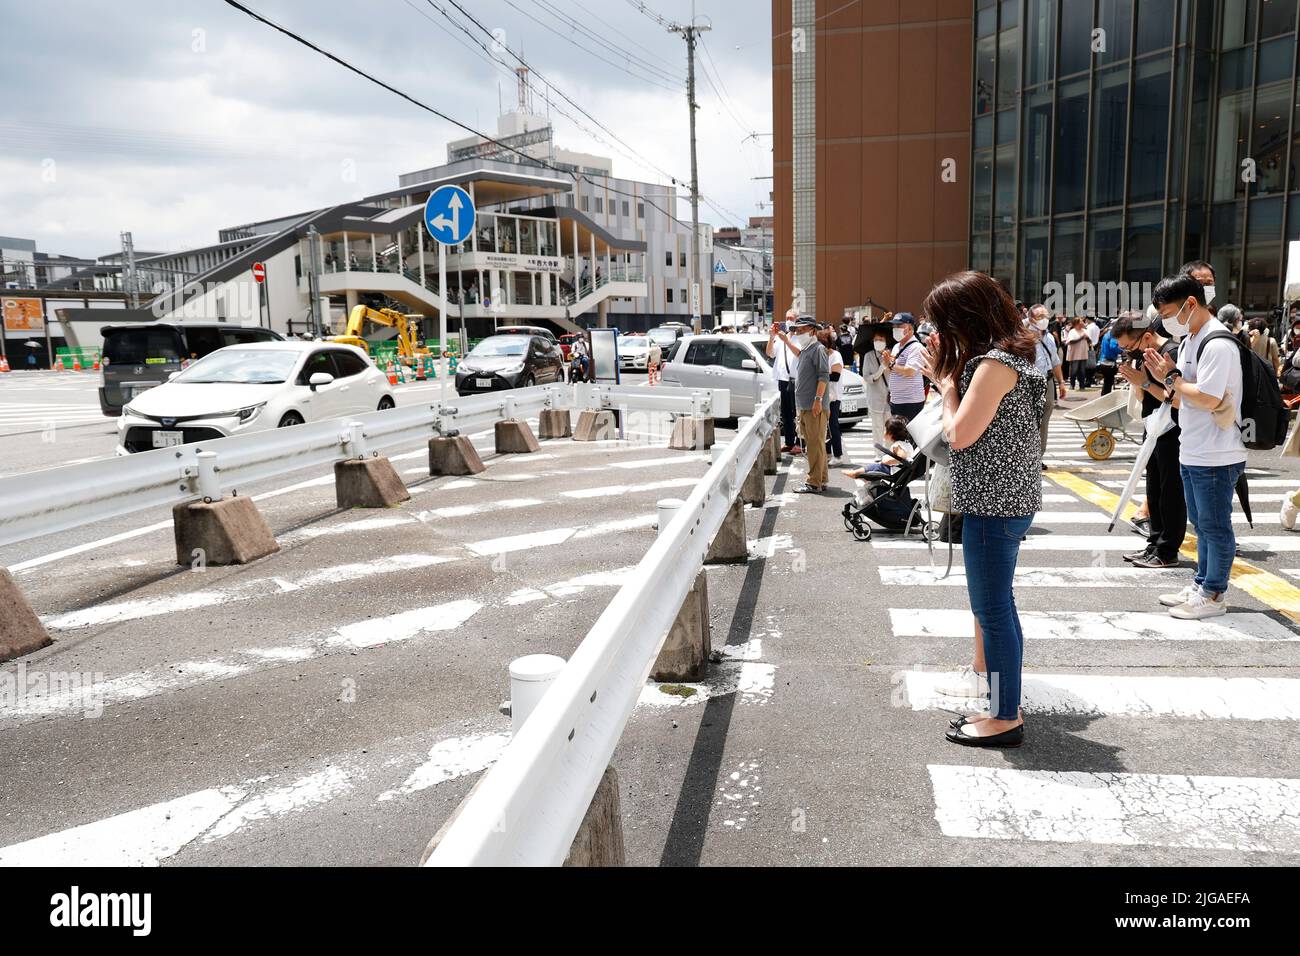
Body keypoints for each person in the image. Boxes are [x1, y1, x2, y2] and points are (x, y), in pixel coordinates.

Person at [921, 271, 1045, 748]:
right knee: (996, 609)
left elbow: (959, 434)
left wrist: (946, 386)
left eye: (943, 322)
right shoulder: (1005, 357)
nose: (938, 333)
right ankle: (997, 700)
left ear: (964, 318)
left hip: (995, 504)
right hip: (1004, 500)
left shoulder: (992, 364)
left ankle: (1004, 716)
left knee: (993, 611)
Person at [1142, 272, 1247, 619]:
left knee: (1215, 526)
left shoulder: (1217, 343)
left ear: (1190, 303)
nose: (1167, 321)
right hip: (1193, 447)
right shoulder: (1190, 339)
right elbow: (1181, 396)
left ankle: (1214, 593)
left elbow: (1206, 397)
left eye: (1169, 311)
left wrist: (1172, 377)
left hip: (1217, 452)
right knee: (1202, 525)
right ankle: (1203, 583)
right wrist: (1166, 377)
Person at [1113, 310, 1186, 569]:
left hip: (1173, 430)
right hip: (1153, 426)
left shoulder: (1172, 353)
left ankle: (1168, 550)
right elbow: (1145, 400)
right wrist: (1138, 380)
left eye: (1128, 347)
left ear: (1145, 337)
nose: (1126, 353)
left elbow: (1175, 397)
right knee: (1154, 489)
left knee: (1171, 491)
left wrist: (1144, 382)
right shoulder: (1144, 357)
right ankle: (1154, 544)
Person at [781, 316, 830, 493]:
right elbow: (799, 355)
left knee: (814, 445)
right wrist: (786, 340)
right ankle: (821, 479)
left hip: (814, 405)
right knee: (816, 443)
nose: (799, 333)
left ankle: (813, 482)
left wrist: (817, 400)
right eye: (797, 330)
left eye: (802, 330)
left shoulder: (818, 349)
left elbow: (824, 376)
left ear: (812, 330)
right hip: (806, 405)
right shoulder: (807, 349)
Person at [1028, 304, 1067, 461]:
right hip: (1030, 382)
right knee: (1029, 419)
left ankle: (1039, 457)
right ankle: (1027, 457)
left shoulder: (1049, 337)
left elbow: (1055, 361)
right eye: (1040, 317)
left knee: (1044, 420)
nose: (1044, 320)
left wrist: (1061, 382)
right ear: (1031, 319)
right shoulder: (1023, 336)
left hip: (1048, 381)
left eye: (1046, 316)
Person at [767, 309, 802, 454]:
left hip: (796, 379)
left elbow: (799, 354)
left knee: (797, 414)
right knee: (786, 413)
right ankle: (789, 442)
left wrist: (787, 341)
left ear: (797, 320)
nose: (789, 320)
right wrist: (771, 337)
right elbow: (770, 353)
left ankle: (799, 443)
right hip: (783, 379)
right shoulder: (782, 337)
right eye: (787, 317)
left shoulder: (800, 337)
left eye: (792, 318)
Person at [881, 312, 926, 420]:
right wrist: (886, 362)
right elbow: (891, 369)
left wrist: (891, 364)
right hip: (896, 399)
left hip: (910, 401)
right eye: (894, 326)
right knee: (898, 435)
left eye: (899, 326)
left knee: (908, 435)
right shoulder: (897, 346)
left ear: (910, 328)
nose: (895, 329)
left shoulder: (916, 347)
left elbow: (910, 371)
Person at [842, 415, 913, 480]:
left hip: (893, 472)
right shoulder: (906, 444)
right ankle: (859, 475)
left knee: (874, 467)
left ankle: (855, 473)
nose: (884, 431)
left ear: (891, 434)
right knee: (875, 467)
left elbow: (902, 456)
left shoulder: (898, 446)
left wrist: (887, 461)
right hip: (899, 472)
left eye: (886, 430)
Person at [859, 328, 891, 450]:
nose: (878, 342)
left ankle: (889, 452)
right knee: (877, 427)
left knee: (890, 426)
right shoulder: (868, 356)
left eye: (881, 339)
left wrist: (889, 364)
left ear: (886, 341)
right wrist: (881, 369)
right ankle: (878, 453)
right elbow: (867, 377)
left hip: (889, 396)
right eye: (876, 339)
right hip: (875, 396)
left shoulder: (892, 354)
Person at [818, 327, 845, 466]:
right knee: (823, 426)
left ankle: (838, 455)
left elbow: (835, 376)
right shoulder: (819, 355)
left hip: (833, 397)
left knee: (833, 425)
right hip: (822, 396)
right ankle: (827, 453)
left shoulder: (835, 356)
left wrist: (818, 376)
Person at [1065, 318, 1090, 390]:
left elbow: (1089, 341)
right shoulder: (1072, 331)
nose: (1083, 322)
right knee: (1074, 370)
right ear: (1077, 323)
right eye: (1081, 321)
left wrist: (1087, 338)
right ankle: (1072, 384)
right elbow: (1070, 342)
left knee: (1082, 371)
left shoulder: (1085, 331)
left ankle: (1082, 385)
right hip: (1075, 354)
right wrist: (1081, 338)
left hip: (1083, 353)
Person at [1097, 322, 1121, 395]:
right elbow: (1113, 346)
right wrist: (1122, 351)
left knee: (1106, 382)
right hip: (1109, 362)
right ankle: (1105, 398)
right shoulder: (1113, 336)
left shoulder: (1106, 335)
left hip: (1103, 361)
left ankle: (1104, 397)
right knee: (1108, 383)